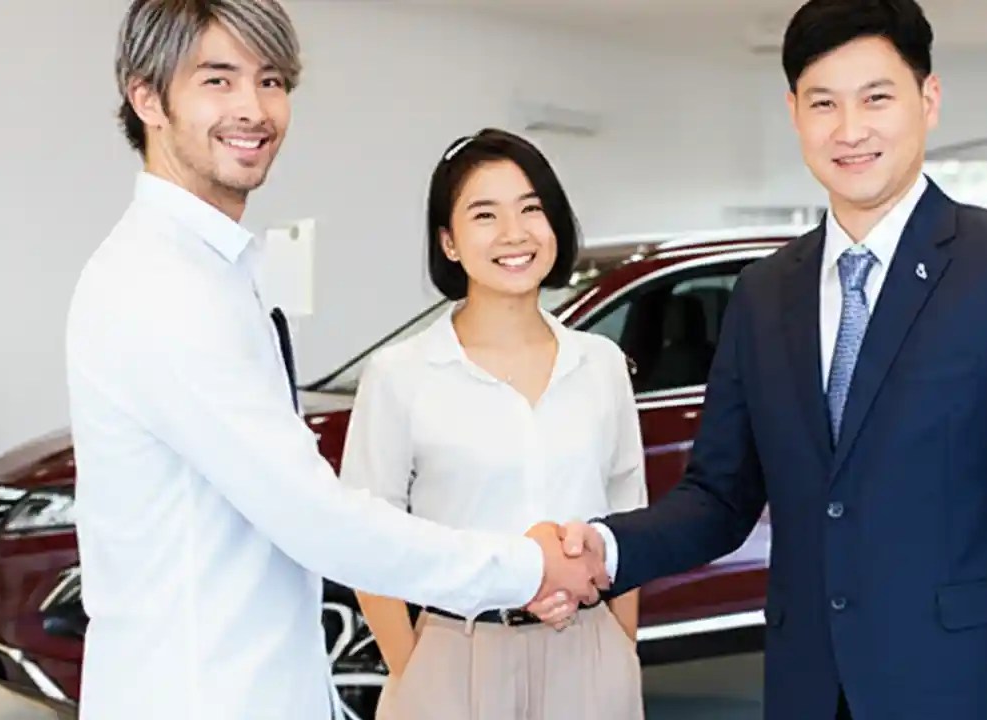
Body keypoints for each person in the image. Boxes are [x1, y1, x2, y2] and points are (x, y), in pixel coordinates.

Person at [555, 0, 987, 718]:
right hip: (808, 689)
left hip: (964, 692)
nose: (850, 130)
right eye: (824, 102)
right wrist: (603, 550)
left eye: (876, 98)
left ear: (929, 99)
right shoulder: (764, 291)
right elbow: (721, 497)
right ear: (794, 112)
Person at [64, 3, 604, 718]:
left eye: (272, 81)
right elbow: (317, 519)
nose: (254, 110)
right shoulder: (162, 288)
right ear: (146, 97)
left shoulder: (214, 271)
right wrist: (529, 565)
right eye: (217, 81)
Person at [340, 128, 647, 720]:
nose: (514, 233)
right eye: (485, 214)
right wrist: (413, 666)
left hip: (586, 656)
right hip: (458, 657)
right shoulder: (402, 373)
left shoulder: (600, 364)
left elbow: (627, 517)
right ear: (449, 243)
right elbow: (364, 538)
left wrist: (618, 645)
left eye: (531, 208)